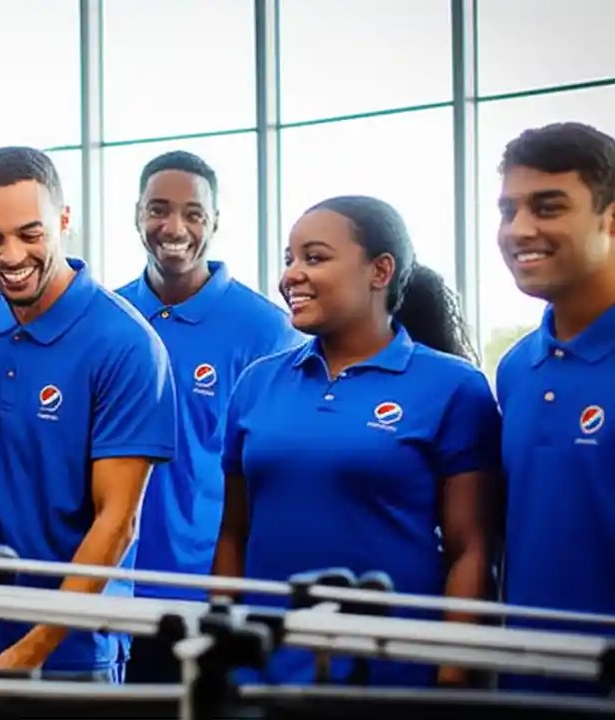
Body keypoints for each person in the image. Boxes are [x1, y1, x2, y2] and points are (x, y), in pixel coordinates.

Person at [213, 195, 500, 688]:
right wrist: (222, 652)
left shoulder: (453, 386)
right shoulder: (257, 384)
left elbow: (470, 550)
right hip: (265, 673)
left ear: (380, 270)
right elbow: (234, 534)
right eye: (289, 259)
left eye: (315, 257)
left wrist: (452, 676)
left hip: (395, 675)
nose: (291, 276)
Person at [0, 146, 177, 682]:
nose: (11, 255)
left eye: (30, 233)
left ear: (64, 222)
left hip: (73, 650)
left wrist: (35, 646)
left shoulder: (127, 345)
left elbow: (119, 520)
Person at [113, 151, 304, 683]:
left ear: (214, 222)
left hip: (208, 595)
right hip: (108, 589)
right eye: (159, 210)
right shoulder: (107, 317)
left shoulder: (268, 332)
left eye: (193, 214)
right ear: (137, 215)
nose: (174, 227)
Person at [494, 122, 615, 696]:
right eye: (508, 210)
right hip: (526, 684)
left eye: (547, 207)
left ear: (610, 220)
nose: (520, 230)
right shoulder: (516, 369)